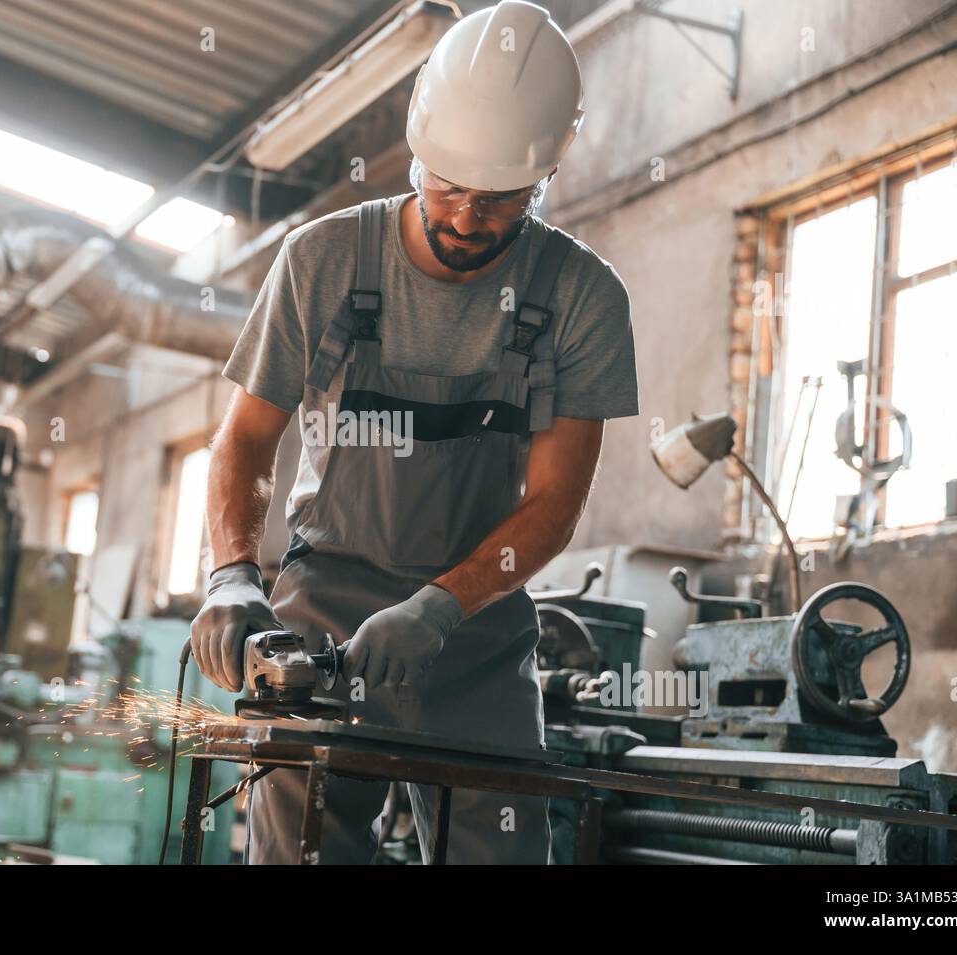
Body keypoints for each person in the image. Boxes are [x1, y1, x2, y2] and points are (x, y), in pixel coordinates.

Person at [191, 0, 638, 864]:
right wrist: (232, 574)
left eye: (502, 200)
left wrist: (439, 607)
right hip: (319, 619)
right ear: (416, 152)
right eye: (448, 188)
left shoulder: (581, 296)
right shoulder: (321, 261)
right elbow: (246, 440)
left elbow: (553, 503)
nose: (469, 217)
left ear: (546, 176)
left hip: (473, 628)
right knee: (302, 851)